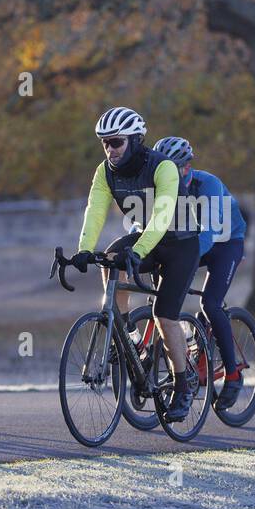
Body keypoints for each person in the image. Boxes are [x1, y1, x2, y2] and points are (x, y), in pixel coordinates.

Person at [70, 108, 202, 421]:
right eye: (105, 143)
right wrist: (84, 249)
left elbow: (163, 215)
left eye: (116, 142)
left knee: (164, 316)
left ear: (134, 139)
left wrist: (140, 251)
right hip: (149, 240)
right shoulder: (105, 172)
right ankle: (127, 335)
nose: (110, 149)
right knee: (111, 259)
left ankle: (183, 386)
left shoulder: (163, 167)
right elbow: (95, 211)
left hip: (180, 244)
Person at [152, 136, 249, 409]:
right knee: (162, 297)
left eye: (172, 171)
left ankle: (232, 375)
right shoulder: (162, 187)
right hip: (192, 243)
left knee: (210, 304)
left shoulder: (207, 185)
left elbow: (208, 233)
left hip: (225, 243)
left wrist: (183, 264)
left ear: (185, 168)